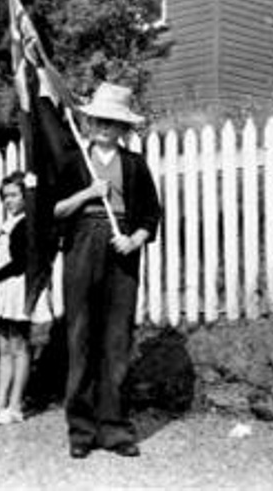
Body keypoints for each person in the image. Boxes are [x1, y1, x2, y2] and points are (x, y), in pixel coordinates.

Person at [53, 83, 161, 459]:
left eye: (113, 122)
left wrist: (135, 240)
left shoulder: (134, 165)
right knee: (80, 337)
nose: (104, 126)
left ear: (123, 129)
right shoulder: (73, 160)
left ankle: (114, 430)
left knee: (116, 341)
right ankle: (81, 432)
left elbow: (151, 215)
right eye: (99, 119)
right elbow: (54, 211)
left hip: (122, 252)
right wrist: (86, 193)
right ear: (89, 121)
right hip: (82, 246)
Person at [0, 171, 52, 425]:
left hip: (17, 289)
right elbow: (3, 255)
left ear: (26, 197)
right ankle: (0, 403)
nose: (9, 201)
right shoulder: (8, 225)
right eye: (5, 196)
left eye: (14, 195)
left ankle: (16, 406)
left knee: (19, 347)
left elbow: (21, 263)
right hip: (3, 290)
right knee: (4, 347)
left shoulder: (28, 225)